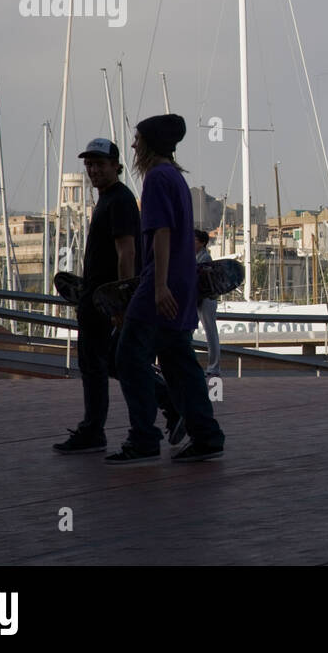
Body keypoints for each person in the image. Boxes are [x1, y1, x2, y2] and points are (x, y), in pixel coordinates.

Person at [109, 114, 225, 464]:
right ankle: (205, 434)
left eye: (138, 139)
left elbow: (161, 233)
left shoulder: (157, 178)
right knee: (177, 360)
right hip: (181, 280)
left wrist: (157, 286)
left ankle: (144, 437)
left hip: (161, 283)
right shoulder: (175, 177)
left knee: (127, 356)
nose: (133, 146)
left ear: (150, 143)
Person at [54, 138, 181, 454]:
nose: (94, 170)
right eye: (89, 165)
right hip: (98, 299)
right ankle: (166, 403)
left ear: (116, 166)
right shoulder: (109, 199)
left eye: (100, 164)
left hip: (106, 302)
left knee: (100, 365)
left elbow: (127, 252)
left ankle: (97, 429)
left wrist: (122, 301)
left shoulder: (120, 200)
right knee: (110, 363)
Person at [194, 229, 221, 378]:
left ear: (202, 242)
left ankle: (214, 367)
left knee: (211, 333)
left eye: (195, 240)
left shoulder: (204, 258)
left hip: (206, 299)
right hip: (199, 299)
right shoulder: (197, 256)